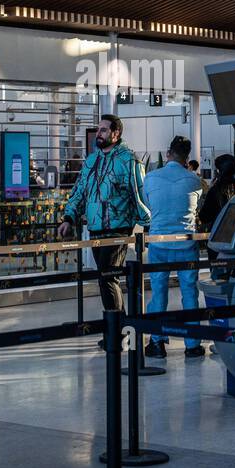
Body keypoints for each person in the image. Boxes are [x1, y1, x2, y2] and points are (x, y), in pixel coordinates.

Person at [57, 114, 150, 348]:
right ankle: (122, 327)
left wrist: (147, 223)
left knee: (108, 279)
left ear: (116, 134)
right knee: (108, 280)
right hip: (96, 229)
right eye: (98, 130)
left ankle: (115, 334)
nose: (99, 133)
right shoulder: (91, 161)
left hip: (119, 229)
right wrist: (69, 217)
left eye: (104, 130)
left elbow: (139, 192)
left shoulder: (128, 160)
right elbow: (79, 192)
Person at [142, 137, 205, 359]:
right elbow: (198, 207)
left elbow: (149, 205)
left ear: (168, 153)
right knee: (190, 294)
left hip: (159, 243)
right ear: (187, 158)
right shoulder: (194, 181)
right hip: (186, 244)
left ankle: (157, 343)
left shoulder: (150, 178)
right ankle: (192, 345)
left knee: (158, 293)